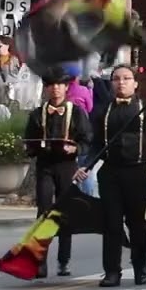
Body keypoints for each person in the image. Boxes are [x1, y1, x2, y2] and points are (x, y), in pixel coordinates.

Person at [74, 65, 146, 288]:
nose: (121, 83)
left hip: (137, 171)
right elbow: (95, 144)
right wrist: (85, 165)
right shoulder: (103, 110)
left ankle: (140, 266)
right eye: (116, 79)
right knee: (111, 223)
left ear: (135, 83)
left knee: (136, 223)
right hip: (110, 172)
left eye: (126, 78)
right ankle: (112, 271)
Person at [23, 67, 93, 278]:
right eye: (51, 85)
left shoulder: (77, 112)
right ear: (46, 88)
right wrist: (33, 148)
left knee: (65, 212)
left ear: (66, 87)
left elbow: (87, 139)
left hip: (67, 166)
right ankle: (40, 261)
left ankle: (64, 260)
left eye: (60, 85)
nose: (55, 89)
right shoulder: (37, 113)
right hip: (45, 165)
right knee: (44, 213)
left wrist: (76, 149)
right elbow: (29, 141)